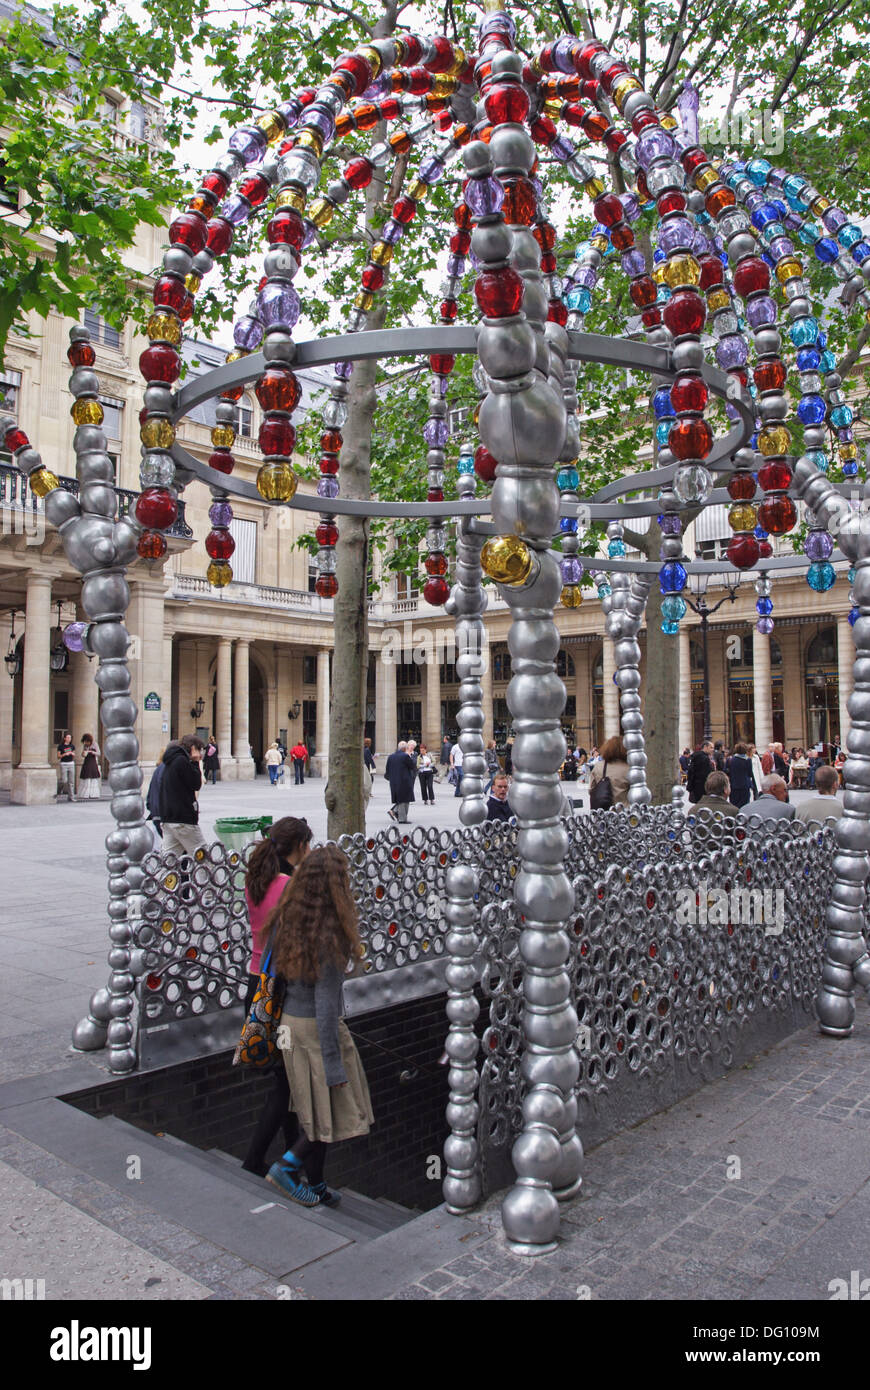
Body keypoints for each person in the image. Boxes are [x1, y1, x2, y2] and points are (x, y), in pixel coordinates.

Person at [266, 845, 374, 1207]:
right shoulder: (331, 936)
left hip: (288, 1026)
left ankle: (317, 1183)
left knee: (310, 1109)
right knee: (335, 1107)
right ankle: (286, 1167)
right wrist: (333, 1066)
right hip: (314, 1030)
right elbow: (326, 1007)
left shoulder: (289, 919)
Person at [242, 817, 312, 1176]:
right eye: (307, 845)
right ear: (298, 847)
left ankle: (289, 1157)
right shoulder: (288, 884)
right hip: (279, 987)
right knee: (285, 1085)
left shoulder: (256, 879)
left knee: (284, 1081)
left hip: (256, 983)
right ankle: (255, 1159)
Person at [160, 735, 207, 856]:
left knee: (169, 862)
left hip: (169, 819)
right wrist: (196, 762)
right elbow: (196, 784)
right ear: (192, 748)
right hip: (183, 820)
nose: (200, 753)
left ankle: (163, 876)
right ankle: (208, 876)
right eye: (199, 749)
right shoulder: (182, 761)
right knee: (203, 858)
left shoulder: (170, 761)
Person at [589, 734, 631, 807]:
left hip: (604, 812)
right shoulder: (629, 768)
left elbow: (591, 789)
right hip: (624, 811)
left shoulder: (599, 766)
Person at [385, 740, 416, 823]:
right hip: (404, 780)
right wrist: (409, 756)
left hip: (394, 781)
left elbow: (387, 769)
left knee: (400, 798)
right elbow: (412, 766)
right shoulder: (405, 756)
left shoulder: (391, 756)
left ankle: (396, 812)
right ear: (405, 748)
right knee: (404, 800)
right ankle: (402, 818)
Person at [725, 742, 755, 809]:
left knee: (734, 804)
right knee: (744, 805)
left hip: (734, 785)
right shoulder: (748, 760)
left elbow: (726, 771)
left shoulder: (730, 760)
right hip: (745, 785)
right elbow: (750, 773)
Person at [146, 748, 167, 841]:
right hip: (164, 816)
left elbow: (149, 796)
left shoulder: (158, 769)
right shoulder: (167, 769)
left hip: (156, 814)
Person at [79, 734, 101, 799]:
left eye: (86, 741)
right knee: (86, 777)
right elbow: (83, 754)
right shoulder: (85, 746)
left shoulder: (95, 744)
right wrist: (83, 753)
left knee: (92, 777)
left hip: (93, 762)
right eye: (85, 742)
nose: (86, 743)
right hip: (86, 762)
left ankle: (93, 794)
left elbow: (99, 753)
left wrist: (91, 752)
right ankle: (84, 793)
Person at [57, 732, 76, 801]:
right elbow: (58, 756)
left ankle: (71, 797)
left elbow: (74, 754)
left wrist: (72, 753)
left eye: (70, 738)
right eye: (68, 737)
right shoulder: (61, 746)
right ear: (64, 738)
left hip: (71, 763)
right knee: (64, 780)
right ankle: (58, 790)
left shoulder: (72, 746)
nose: (69, 739)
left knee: (71, 782)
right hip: (64, 764)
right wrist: (65, 754)